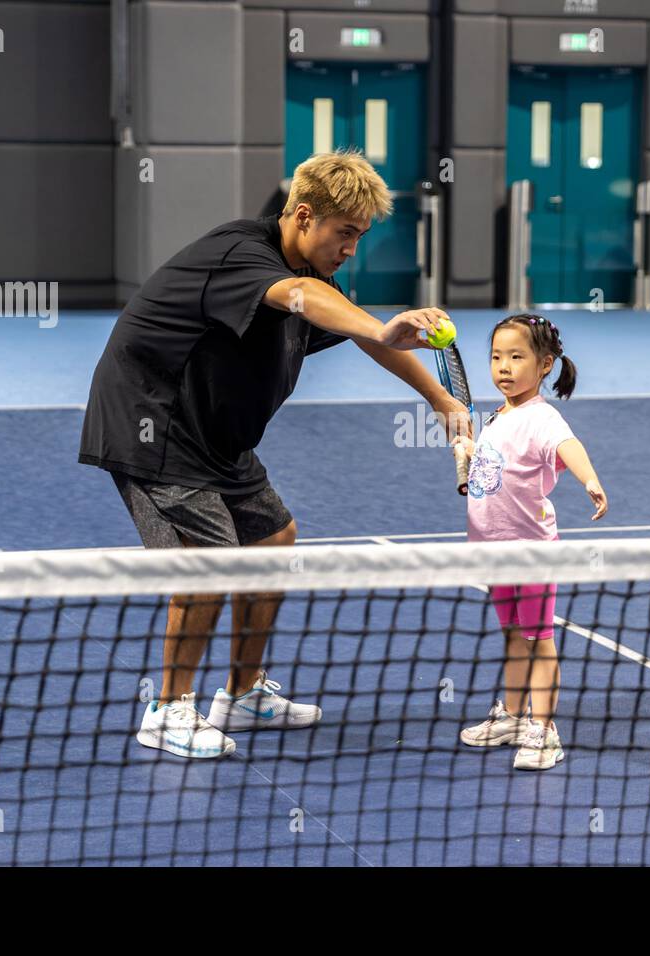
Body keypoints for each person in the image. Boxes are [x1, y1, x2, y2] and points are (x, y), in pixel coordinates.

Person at [79, 150, 470, 759]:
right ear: (304, 214)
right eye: (345, 233)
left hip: (219, 439)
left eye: (360, 237)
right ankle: (168, 710)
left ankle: (241, 693)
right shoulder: (244, 256)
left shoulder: (316, 280)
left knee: (272, 542)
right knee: (209, 563)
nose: (350, 249)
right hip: (153, 429)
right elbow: (296, 298)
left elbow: (355, 326)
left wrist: (442, 400)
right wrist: (376, 326)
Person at [451, 314, 607, 771]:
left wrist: (590, 479)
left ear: (545, 365)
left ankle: (545, 730)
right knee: (512, 634)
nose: (503, 366)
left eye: (516, 357)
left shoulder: (541, 417)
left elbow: (567, 445)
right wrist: (470, 453)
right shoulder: (501, 414)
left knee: (539, 638)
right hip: (493, 550)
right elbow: (496, 472)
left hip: (531, 551)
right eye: (497, 356)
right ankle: (514, 717)